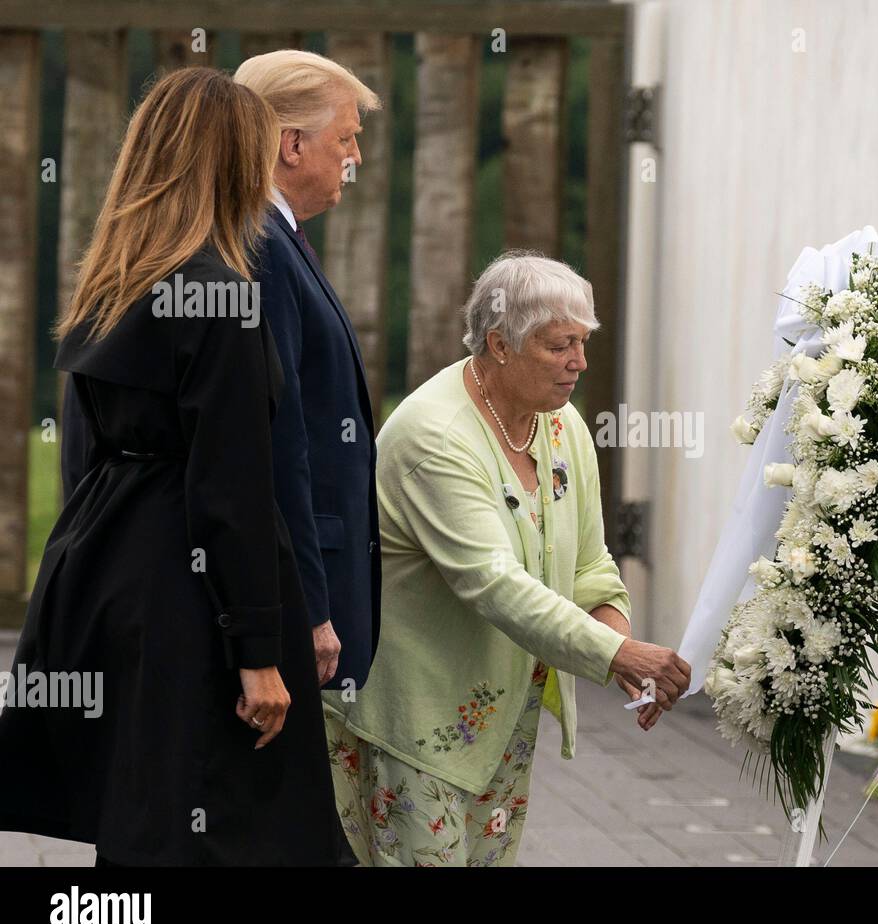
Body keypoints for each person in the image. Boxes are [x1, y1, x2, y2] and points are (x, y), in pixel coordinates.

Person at [0, 67, 354, 866]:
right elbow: (231, 487)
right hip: (191, 601)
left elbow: (91, 453)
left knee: (143, 822)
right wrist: (259, 655)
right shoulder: (220, 297)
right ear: (230, 160)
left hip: (104, 578)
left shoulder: (111, 285)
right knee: (229, 829)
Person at [325, 252, 690, 866]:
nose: (579, 362)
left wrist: (622, 648)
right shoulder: (434, 436)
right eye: (558, 347)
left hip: (502, 718)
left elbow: (591, 566)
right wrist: (618, 655)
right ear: (498, 343)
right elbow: (495, 584)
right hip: (416, 719)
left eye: (582, 342)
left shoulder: (562, 424)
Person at [233, 50, 383, 691]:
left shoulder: (277, 236)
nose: (356, 158)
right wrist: (312, 609)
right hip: (300, 578)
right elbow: (279, 434)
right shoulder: (264, 245)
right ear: (292, 144)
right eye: (346, 138)